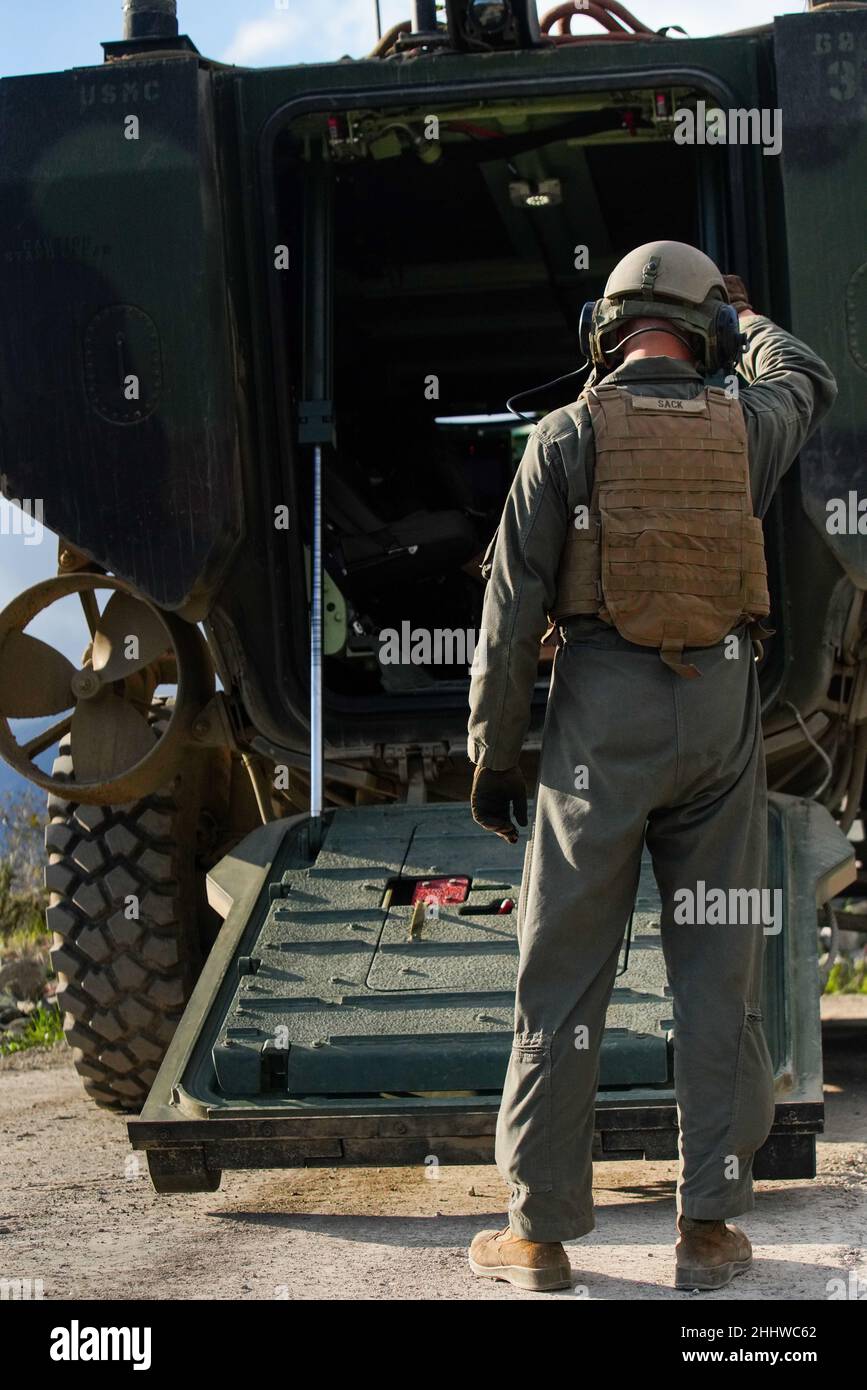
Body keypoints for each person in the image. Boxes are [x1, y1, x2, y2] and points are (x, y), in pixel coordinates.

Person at [465, 242, 837, 1293]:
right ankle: (709, 1230)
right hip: (720, 723)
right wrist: (751, 322)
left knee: (564, 979)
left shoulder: (564, 436)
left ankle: (538, 1237)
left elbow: (508, 619)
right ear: (709, 330)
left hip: (598, 731)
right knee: (718, 975)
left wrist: (494, 760)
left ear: (606, 327)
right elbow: (807, 371)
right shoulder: (751, 426)